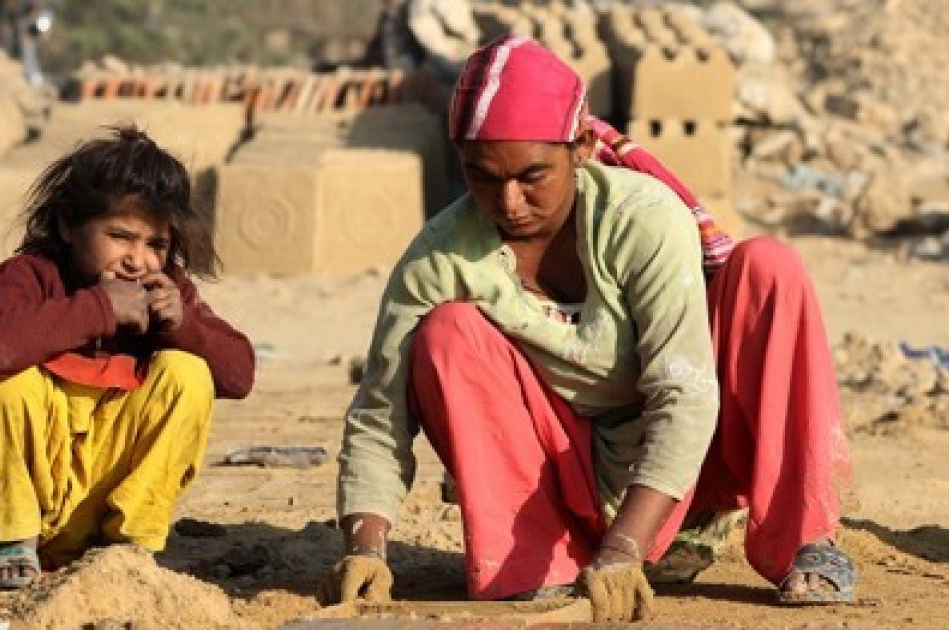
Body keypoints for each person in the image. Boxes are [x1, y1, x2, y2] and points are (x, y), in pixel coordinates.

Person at [321, 35, 855, 622]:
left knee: (769, 269)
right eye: (482, 177)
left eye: (532, 176)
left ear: (579, 148)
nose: (509, 201)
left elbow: (684, 394)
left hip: (689, 480)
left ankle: (803, 538)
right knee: (447, 333)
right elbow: (380, 413)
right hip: (564, 482)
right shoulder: (439, 258)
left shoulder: (640, 219)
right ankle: (533, 567)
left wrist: (626, 547)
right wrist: (365, 547)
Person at [0, 125, 255, 589]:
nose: (138, 259)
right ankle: (15, 540)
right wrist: (100, 307)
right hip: (17, 504)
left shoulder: (169, 291)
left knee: (187, 373)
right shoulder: (26, 277)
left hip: (98, 502)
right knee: (5, 379)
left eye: (156, 245)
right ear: (67, 226)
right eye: (120, 236)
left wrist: (184, 325)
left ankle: (128, 544)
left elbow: (240, 375)